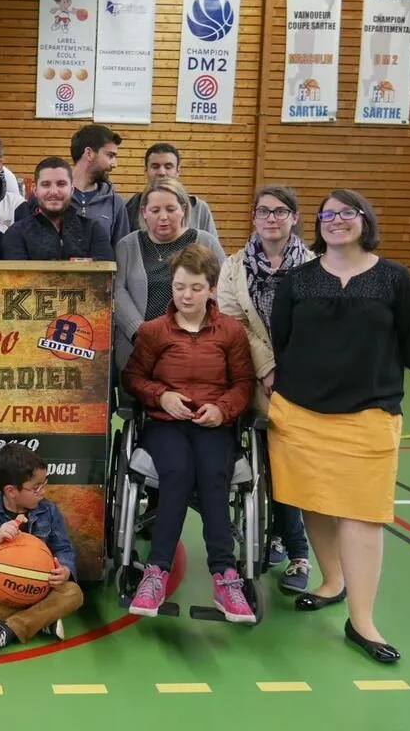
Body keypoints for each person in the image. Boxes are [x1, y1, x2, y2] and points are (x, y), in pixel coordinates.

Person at [268, 189, 410, 663]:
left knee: (362, 514)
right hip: (300, 414)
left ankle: (362, 621)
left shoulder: (395, 279)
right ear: (317, 224)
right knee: (314, 501)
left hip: (368, 412)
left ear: (364, 220)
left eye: (346, 213)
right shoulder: (298, 279)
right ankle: (332, 580)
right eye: (328, 215)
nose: (336, 221)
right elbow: (282, 338)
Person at [122, 244, 256, 623]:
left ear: (211, 289)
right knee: (177, 473)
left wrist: (222, 409)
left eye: (196, 288)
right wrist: (161, 396)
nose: (186, 295)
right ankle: (155, 572)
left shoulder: (230, 332)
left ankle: (225, 577)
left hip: (213, 425)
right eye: (180, 287)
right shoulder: (153, 332)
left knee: (214, 474)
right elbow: (132, 378)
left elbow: (244, 383)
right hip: (166, 426)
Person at [217, 186, 315, 593]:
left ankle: (297, 550)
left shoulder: (314, 265)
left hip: (303, 377)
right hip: (255, 375)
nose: (271, 218)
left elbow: (318, 325)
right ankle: (278, 537)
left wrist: (288, 368)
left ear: (294, 217)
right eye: (263, 211)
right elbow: (232, 322)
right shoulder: (234, 266)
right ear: (254, 217)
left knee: (291, 463)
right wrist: (267, 367)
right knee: (266, 461)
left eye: (280, 211)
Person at [0, 443, 84, 654]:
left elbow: (64, 548)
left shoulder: (49, 511)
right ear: (11, 491)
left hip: (42, 589)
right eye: (36, 488)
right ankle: (43, 619)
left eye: (44, 484)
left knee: (74, 593)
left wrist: (65, 570)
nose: (42, 492)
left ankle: (8, 628)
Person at [113, 177, 224, 371]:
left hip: (194, 350)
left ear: (183, 209)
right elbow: (117, 290)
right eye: (155, 210)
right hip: (138, 349)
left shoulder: (205, 241)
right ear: (144, 212)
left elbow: (224, 288)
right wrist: (141, 333)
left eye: (171, 209)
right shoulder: (127, 245)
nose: (163, 217)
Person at [2, 157, 112, 261]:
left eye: (61, 184)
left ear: (72, 190)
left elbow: (104, 272)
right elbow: (16, 274)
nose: (54, 192)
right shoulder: (16, 234)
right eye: (46, 184)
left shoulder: (93, 230)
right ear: (35, 191)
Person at [124, 143, 218, 236]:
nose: (162, 172)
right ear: (146, 171)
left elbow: (211, 245)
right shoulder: (128, 207)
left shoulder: (199, 209)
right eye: (155, 167)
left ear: (178, 171)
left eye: (168, 167)